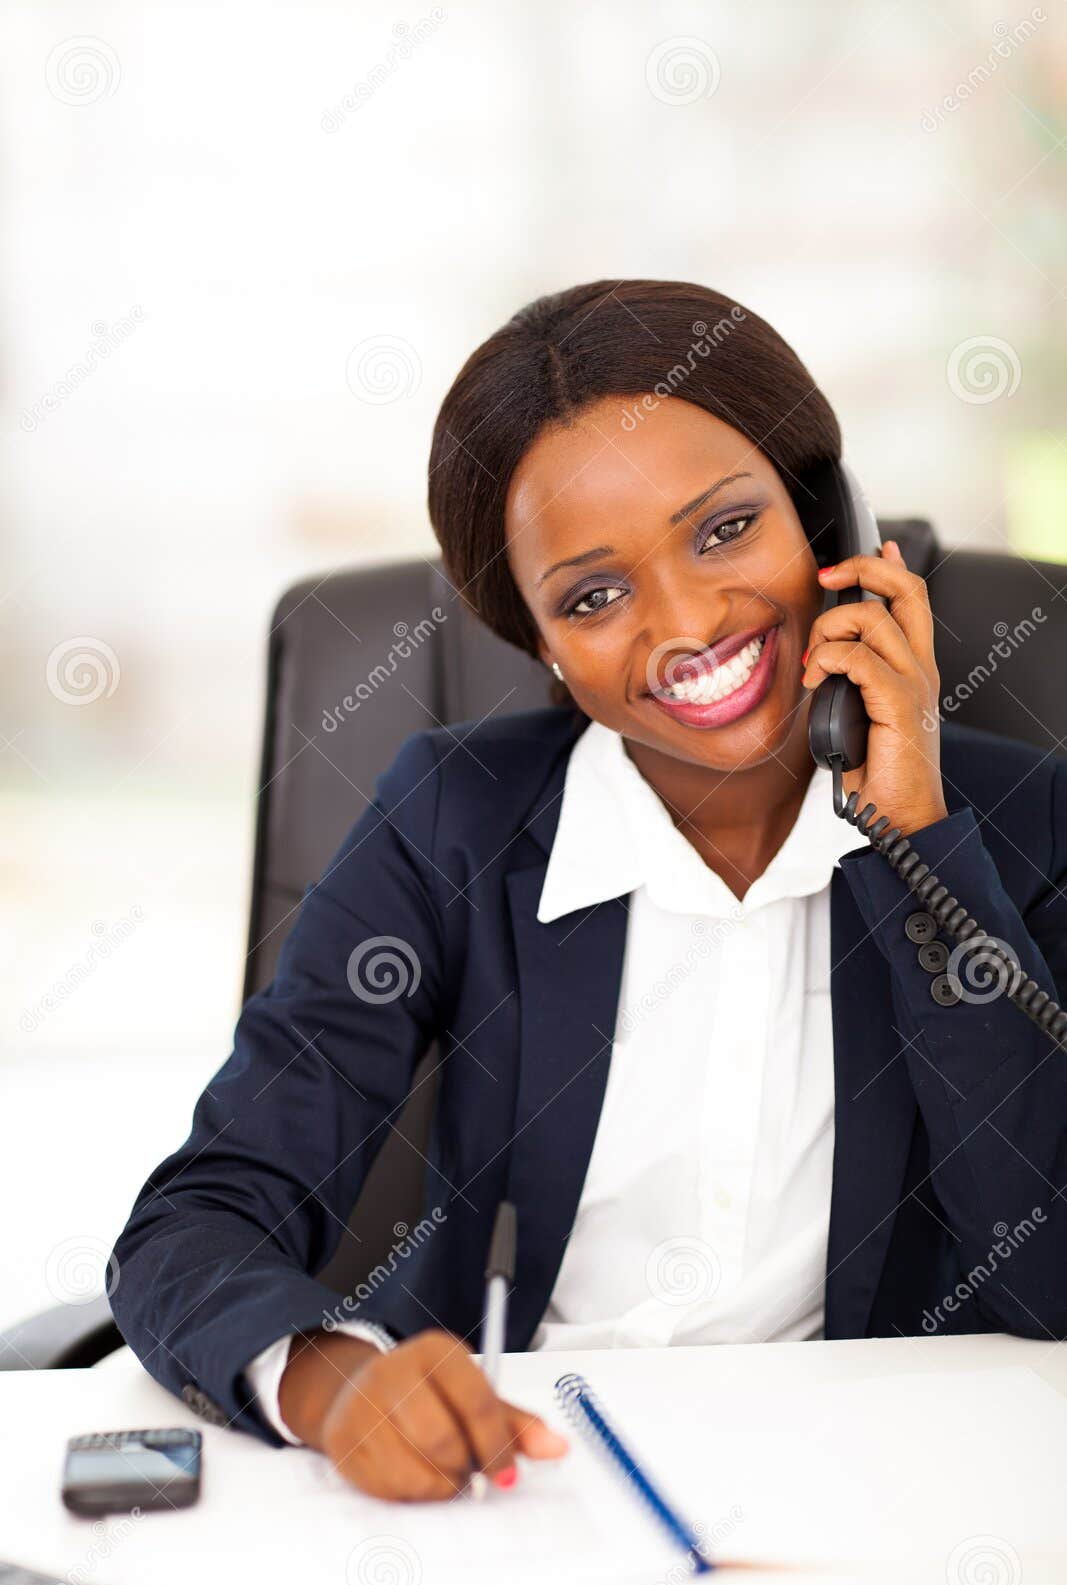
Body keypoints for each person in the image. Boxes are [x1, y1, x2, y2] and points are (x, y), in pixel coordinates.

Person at [109, 278, 1067, 1503]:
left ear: (825, 519)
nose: (683, 623)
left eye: (724, 529)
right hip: (524, 1489)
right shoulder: (452, 818)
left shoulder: (1020, 825)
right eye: (593, 596)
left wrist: (916, 840)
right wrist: (333, 1380)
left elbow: (1049, 1278)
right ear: (539, 642)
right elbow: (197, 1223)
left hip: (875, 1503)